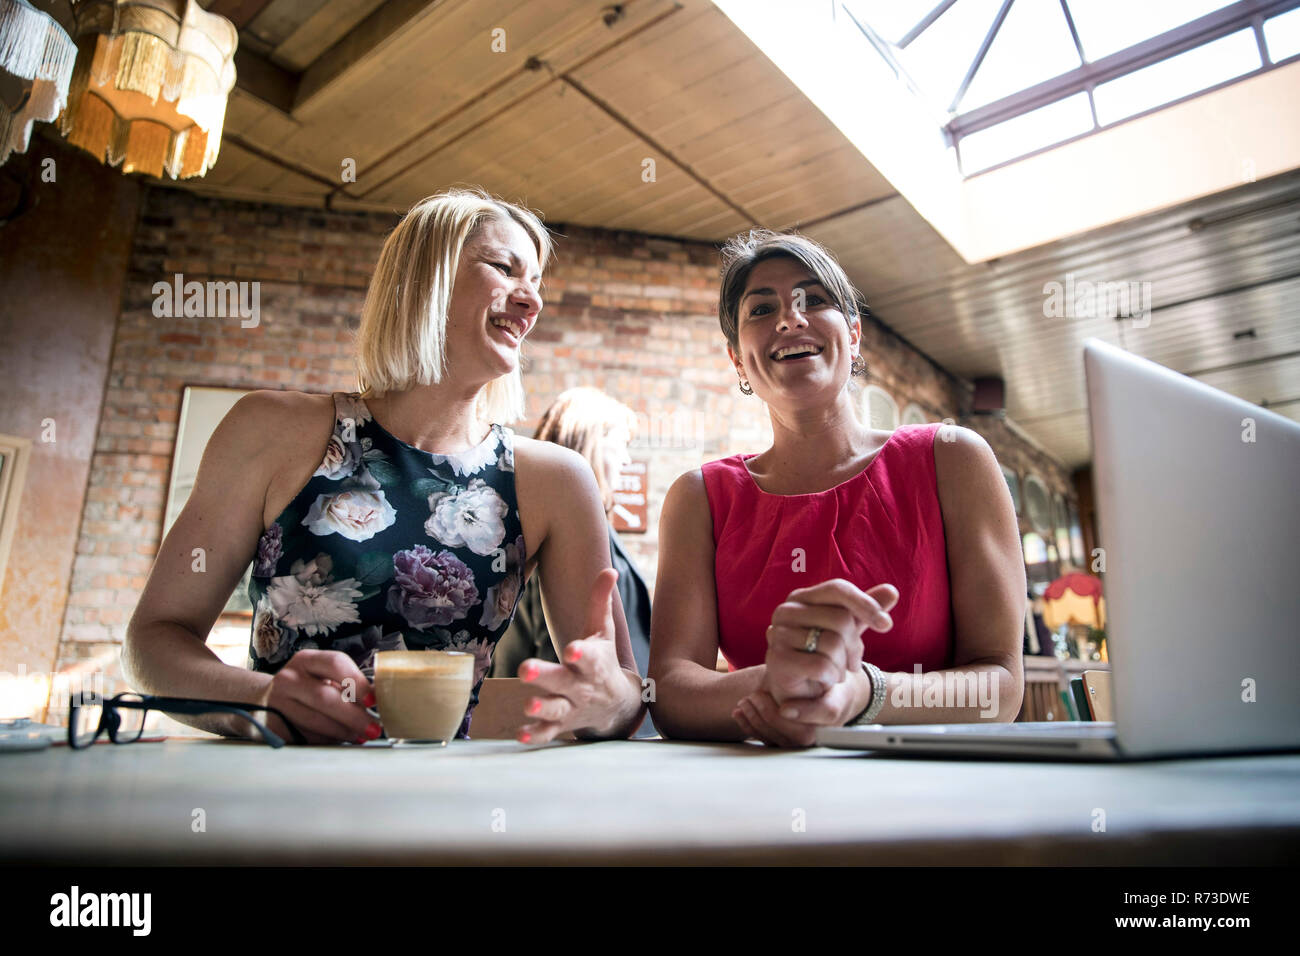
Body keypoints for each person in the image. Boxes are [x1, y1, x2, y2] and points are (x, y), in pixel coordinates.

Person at [122, 188, 646, 745]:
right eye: (504, 268)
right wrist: (264, 699)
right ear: (426, 278)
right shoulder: (268, 429)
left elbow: (623, 693)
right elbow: (152, 642)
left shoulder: (557, 481)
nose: (531, 302)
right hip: (275, 794)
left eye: (538, 284)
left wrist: (611, 700)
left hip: (451, 809)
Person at [648, 230, 1025, 747]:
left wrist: (860, 696)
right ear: (737, 359)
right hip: (762, 794)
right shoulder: (700, 499)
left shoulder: (953, 458)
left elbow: (1001, 687)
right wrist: (782, 686)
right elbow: (669, 692)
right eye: (760, 310)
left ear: (854, 332)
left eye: (813, 300)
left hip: (933, 791)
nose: (789, 319)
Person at [489, 387, 655, 737]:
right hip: (570, 729)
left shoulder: (599, 533)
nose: (626, 461)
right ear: (592, 443)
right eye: (619, 444)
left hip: (615, 725)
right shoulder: (550, 536)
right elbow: (528, 659)